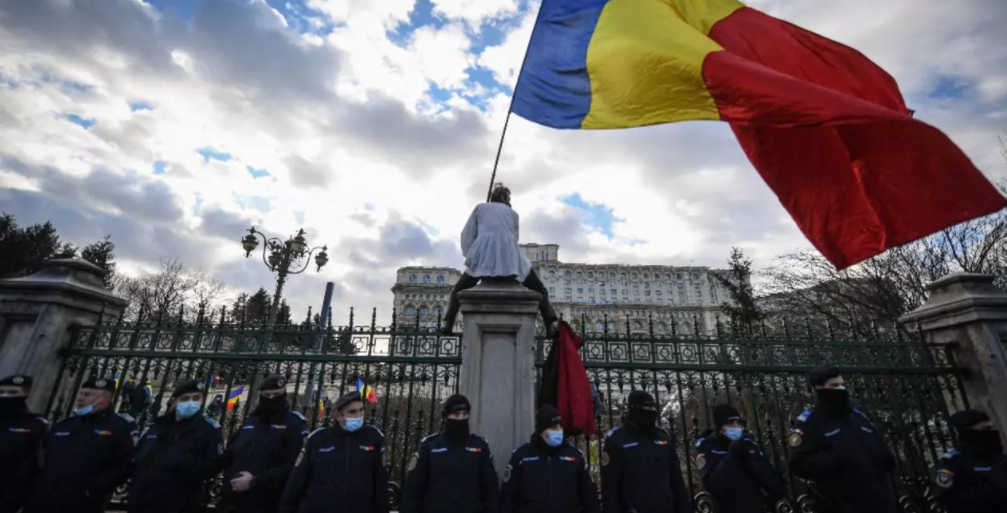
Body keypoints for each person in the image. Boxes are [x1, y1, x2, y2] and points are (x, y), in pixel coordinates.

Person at [441, 184, 558, 336]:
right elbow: (514, 239)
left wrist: (473, 253)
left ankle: (448, 323)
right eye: (508, 198)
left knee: (458, 289)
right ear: (503, 197)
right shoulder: (513, 214)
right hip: (511, 261)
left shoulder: (480, 208)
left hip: (483, 259)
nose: (510, 201)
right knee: (540, 289)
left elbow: (467, 235)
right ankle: (551, 323)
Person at [787, 364, 896, 513]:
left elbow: (881, 449)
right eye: (834, 385)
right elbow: (799, 464)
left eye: (842, 385)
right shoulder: (810, 422)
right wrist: (837, 457)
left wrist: (884, 457)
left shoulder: (857, 417)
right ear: (819, 388)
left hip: (879, 502)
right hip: (841, 504)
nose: (841, 389)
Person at [24, 377, 136, 513]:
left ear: (106, 398)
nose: (81, 398)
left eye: (87, 395)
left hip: (81, 503)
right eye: (81, 394)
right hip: (43, 500)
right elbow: (41, 457)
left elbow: (124, 464)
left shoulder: (119, 428)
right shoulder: (66, 424)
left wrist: (94, 489)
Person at [279, 391, 389, 513]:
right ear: (338, 415)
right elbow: (297, 480)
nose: (359, 415)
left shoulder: (373, 438)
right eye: (352, 412)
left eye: (361, 410)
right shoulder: (319, 439)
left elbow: (380, 483)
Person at [128, 379, 224, 513]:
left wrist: (181, 460)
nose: (191, 402)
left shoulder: (208, 430)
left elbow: (213, 466)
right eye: (185, 399)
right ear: (174, 401)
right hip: (143, 499)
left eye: (196, 398)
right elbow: (139, 454)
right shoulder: (159, 425)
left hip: (179, 501)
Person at [220, 374, 308, 513]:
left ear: (284, 393)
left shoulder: (294, 423)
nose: (272, 398)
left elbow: (293, 465)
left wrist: (255, 481)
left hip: (267, 501)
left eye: (276, 394)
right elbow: (231, 452)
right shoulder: (251, 421)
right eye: (267, 395)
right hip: (233, 497)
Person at [402, 394, 498, 513]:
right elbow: (413, 491)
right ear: (446, 416)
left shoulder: (479, 447)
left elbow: (490, 490)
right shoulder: (430, 447)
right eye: (456, 414)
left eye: (465, 414)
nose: (461, 418)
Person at [600, 390, 692, 513]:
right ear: (633, 408)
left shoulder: (663, 437)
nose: (651, 411)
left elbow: (677, 481)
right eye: (646, 407)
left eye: (653, 407)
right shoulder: (617, 440)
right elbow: (610, 489)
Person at [499, 405, 600, 513]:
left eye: (560, 427)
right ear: (541, 430)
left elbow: (590, 498)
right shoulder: (522, 457)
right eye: (553, 428)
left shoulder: (574, 457)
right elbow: (507, 499)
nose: (558, 431)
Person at [696, 404, 787, 513]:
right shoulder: (708, 447)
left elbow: (773, 484)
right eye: (731, 424)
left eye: (738, 423)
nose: (736, 427)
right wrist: (731, 456)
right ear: (720, 428)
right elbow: (715, 486)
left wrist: (753, 463)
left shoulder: (749, 444)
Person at [933, 409, 1007, 513]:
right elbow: (948, 499)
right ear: (969, 433)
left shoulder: (999, 458)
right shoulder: (951, 462)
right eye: (986, 429)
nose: (992, 433)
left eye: (992, 428)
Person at [0, 375, 48, 513]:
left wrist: (16, 498)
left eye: (13, 392)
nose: (5, 396)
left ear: (26, 394)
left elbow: (34, 464)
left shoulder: (36, 425)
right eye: (1, 392)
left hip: (6, 494)